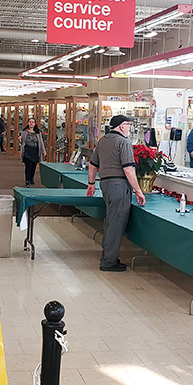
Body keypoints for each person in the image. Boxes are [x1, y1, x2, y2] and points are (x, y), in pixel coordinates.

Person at [86, 115, 145, 272]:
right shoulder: (123, 143)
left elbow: (92, 166)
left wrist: (91, 184)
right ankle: (109, 261)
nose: (129, 128)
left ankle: (108, 257)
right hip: (119, 185)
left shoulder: (103, 141)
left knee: (110, 221)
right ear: (121, 126)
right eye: (128, 125)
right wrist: (138, 191)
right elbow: (128, 169)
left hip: (105, 184)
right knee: (116, 224)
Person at [19, 117, 46, 186]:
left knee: (33, 166)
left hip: (35, 151)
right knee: (28, 166)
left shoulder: (38, 132)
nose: (31, 123)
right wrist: (20, 139)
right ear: (28, 123)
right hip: (27, 151)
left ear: (35, 124)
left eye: (32, 122)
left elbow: (41, 142)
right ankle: (27, 180)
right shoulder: (24, 132)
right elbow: (22, 141)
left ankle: (31, 178)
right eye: (30, 122)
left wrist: (43, 151)